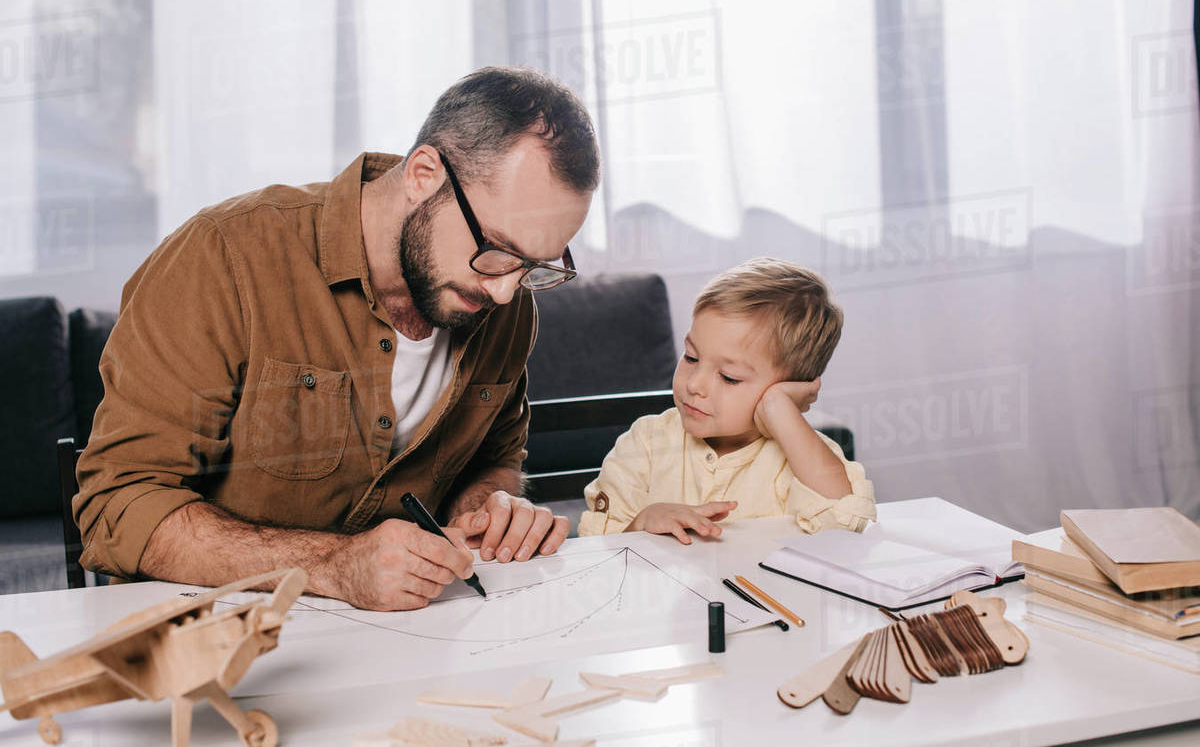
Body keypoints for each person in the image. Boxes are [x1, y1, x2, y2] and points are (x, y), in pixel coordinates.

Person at [74, 67, 601, 610]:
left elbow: (497, 455)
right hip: (211, 639)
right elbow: (117, 504)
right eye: (497, 248)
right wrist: (333, 566)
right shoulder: (223, 258)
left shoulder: (503, 299)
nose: (505, 293)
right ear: (424, 174)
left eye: (535, 266)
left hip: (412, 637)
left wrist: (487, 509)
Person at [578, 258, 876, 542]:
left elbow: (845, 528)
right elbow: (599, 557)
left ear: (789, 388)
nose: (694, 384)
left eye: (729, 377)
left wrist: (778, 409)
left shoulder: (805, 454)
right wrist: (641, 525)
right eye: (692, 357)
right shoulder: (645, 443)